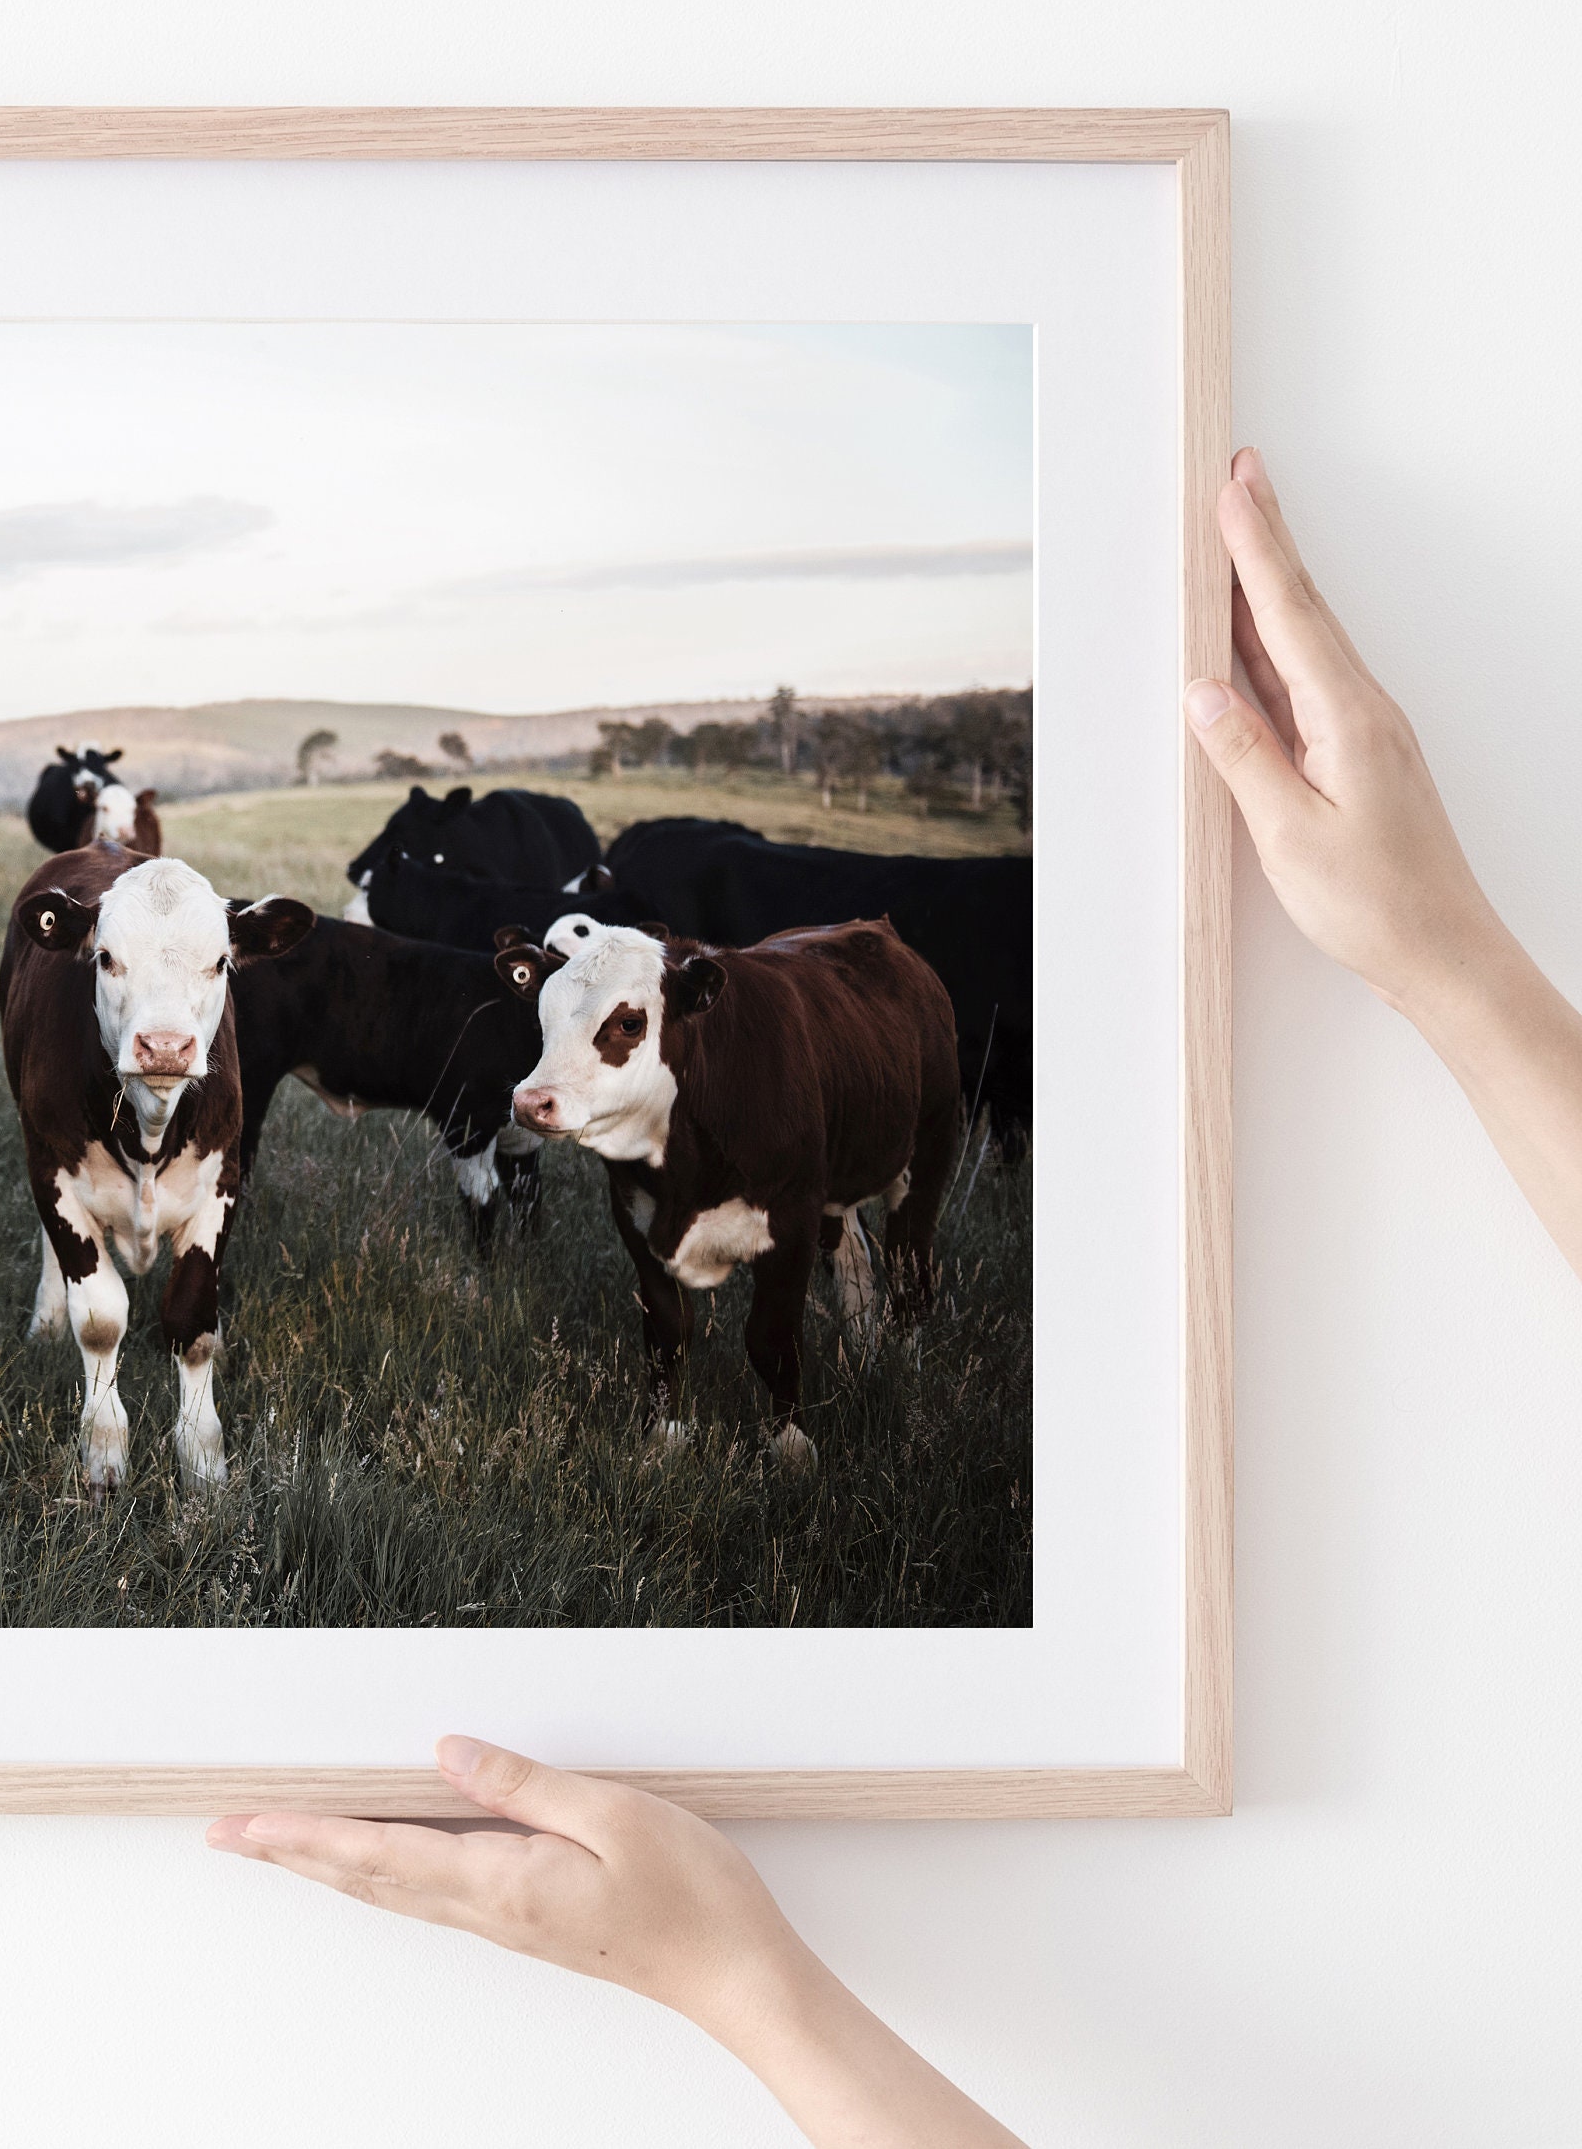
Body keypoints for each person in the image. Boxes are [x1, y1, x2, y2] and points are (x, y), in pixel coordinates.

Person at [207, 449, 1582, 2146]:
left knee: (841, 1228)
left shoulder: (794, 1015)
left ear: (677, 1000)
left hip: (824, 1123)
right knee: (661, 1257)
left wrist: (737, 1985)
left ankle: (814, 1374)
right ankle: (686, 1381)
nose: (556, 1068)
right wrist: (1441, 948)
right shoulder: (596, 1055)